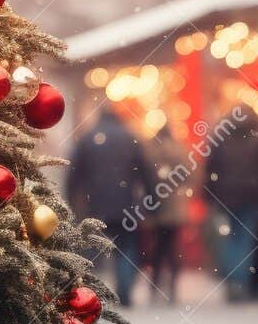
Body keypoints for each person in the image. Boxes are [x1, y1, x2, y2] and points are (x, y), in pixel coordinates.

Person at [65, 102, 149, 306]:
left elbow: (73, 174)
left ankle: (90, 297)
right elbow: (146, 170)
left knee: (93, 250)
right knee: (126, 247)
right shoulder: (130, 137)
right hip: (125, 204)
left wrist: (70, 201)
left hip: (95, 205)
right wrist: (151, 196)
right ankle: (124, 293)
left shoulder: (87, 138)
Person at [206, 113, 258, 301]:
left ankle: (232, 279)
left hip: (228, 197)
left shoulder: (221, 140)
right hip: (251, 197)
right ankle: (240, 281)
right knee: (245, 240)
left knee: (230, 238)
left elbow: (211, 168)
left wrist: (211, 194)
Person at [140, 130, 189, 304]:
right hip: (175, 207)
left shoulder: (149, 149)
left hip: (156, 205)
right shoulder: (180, 149)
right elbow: (188, 175)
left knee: (158, 249)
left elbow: (143, 176)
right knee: (172, 249)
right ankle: (173, 287)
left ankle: (155, 285)